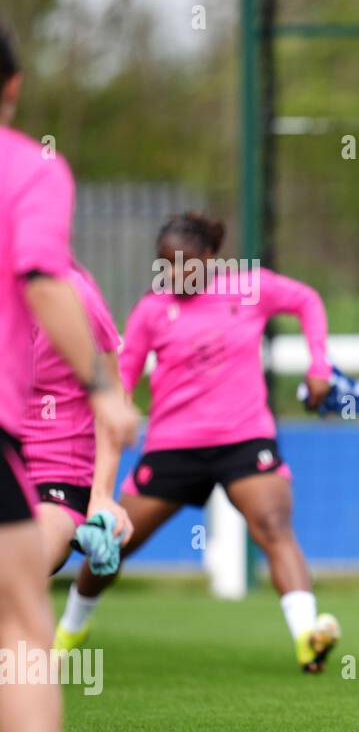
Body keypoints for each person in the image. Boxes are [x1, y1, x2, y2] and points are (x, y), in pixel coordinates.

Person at [57, 212, 342, 674]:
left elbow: (308, 300)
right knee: (113, 544)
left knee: (273, 527)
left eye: (185, 265)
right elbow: (121, 382)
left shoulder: (249, 288)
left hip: (244, 440)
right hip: (174, 447)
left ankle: (308, 640)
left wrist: (319, 365)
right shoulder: (151, 311)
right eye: (166, 266)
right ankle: (69, 631)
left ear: (210, 258)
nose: (175, 276)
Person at [0, 23, 138, 732]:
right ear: (14, 86)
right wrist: (103, 389)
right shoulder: (31, 168)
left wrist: (97, 496)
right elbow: (39, 274)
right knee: (22, 631)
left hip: (49, 475)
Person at [22, 262, 134, 576]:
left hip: (55, 477)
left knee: (18, 568)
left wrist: (101, 496)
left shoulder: (75, 294)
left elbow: (113, 394)